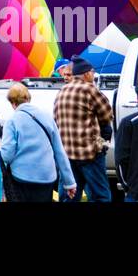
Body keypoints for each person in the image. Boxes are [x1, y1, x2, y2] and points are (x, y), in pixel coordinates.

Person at [0, 82, 76, 202]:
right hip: (47, 177)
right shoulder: (47, 117)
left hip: (22, 177)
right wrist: (69, 182)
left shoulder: (12, 121)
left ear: (13, 103)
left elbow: (7, 155)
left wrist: (0, 149)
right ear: (28, 98)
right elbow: (60, 152)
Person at [53, 55, 114, 202]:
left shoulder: (61, 92)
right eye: (92, 72)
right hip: (89, 154)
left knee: (69, 196)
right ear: (86, 73)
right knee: (101, 196)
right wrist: (102, 143)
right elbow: (107, 116)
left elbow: (56, 120)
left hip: (68, 155)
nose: (93, 75)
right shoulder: (89, 90)